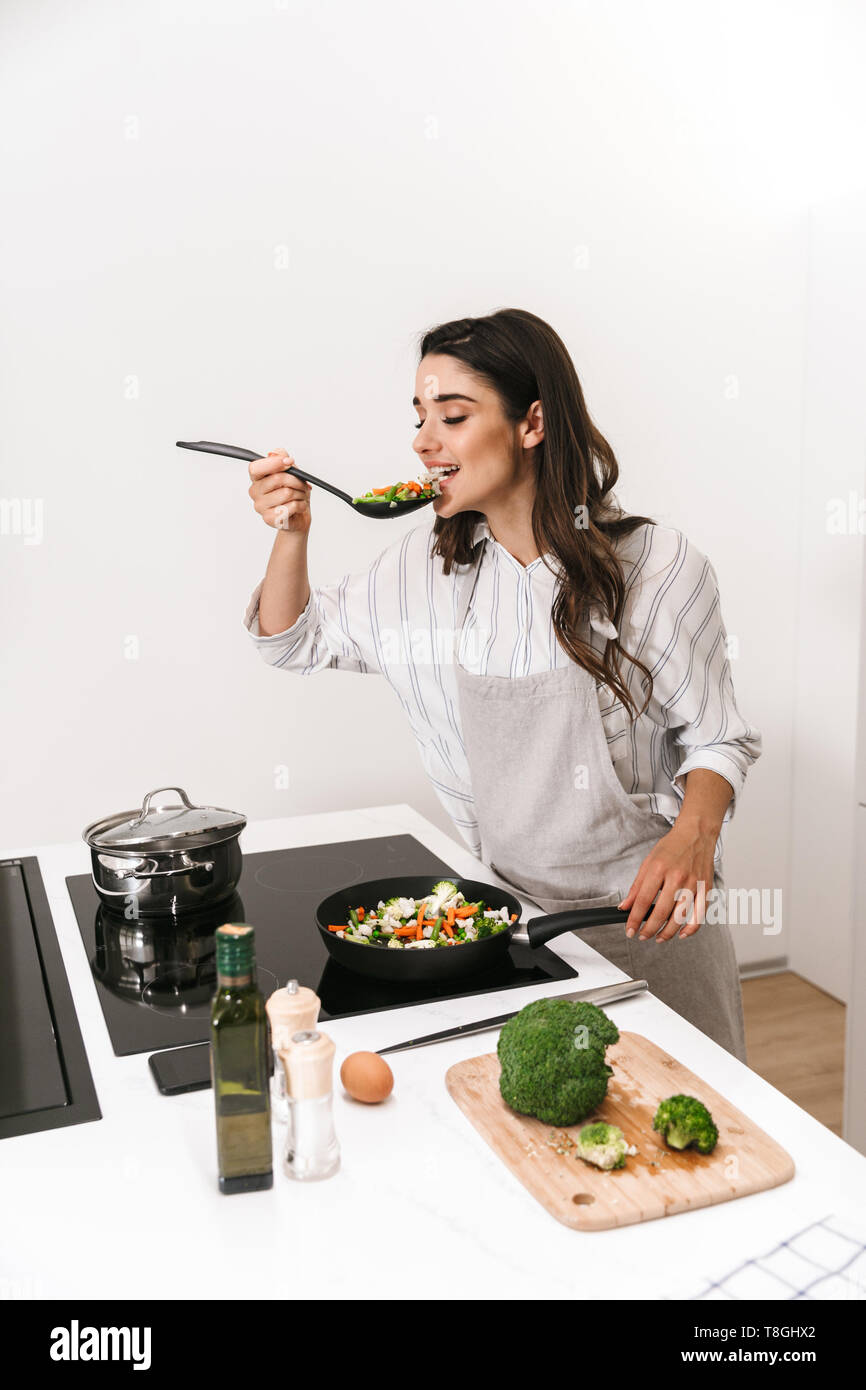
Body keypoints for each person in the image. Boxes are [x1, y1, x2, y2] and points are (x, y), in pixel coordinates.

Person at [243, 308, 762, 1062]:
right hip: (518, 934)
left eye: (452, 416)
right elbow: (292, 639)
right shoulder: (423, 573)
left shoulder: (656, 566)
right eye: (420, 417)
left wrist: (694, 838)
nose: (424, 441)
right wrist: (293, 533)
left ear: (532, 423)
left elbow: (718, 735)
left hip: (653, 926)